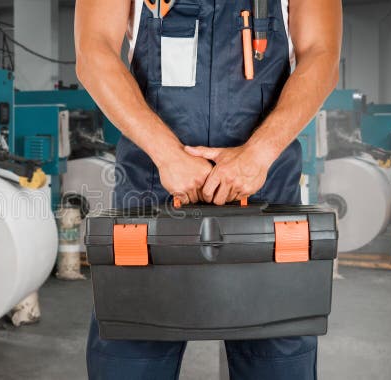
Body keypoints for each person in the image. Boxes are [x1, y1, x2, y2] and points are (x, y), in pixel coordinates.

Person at [74, 0, 341, 378]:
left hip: (265, 194)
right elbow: (93, 50)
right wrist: (167, 156)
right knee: (129, 358)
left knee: (277, 361)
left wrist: (257, 156)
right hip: (151, 194)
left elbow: (322, 54)